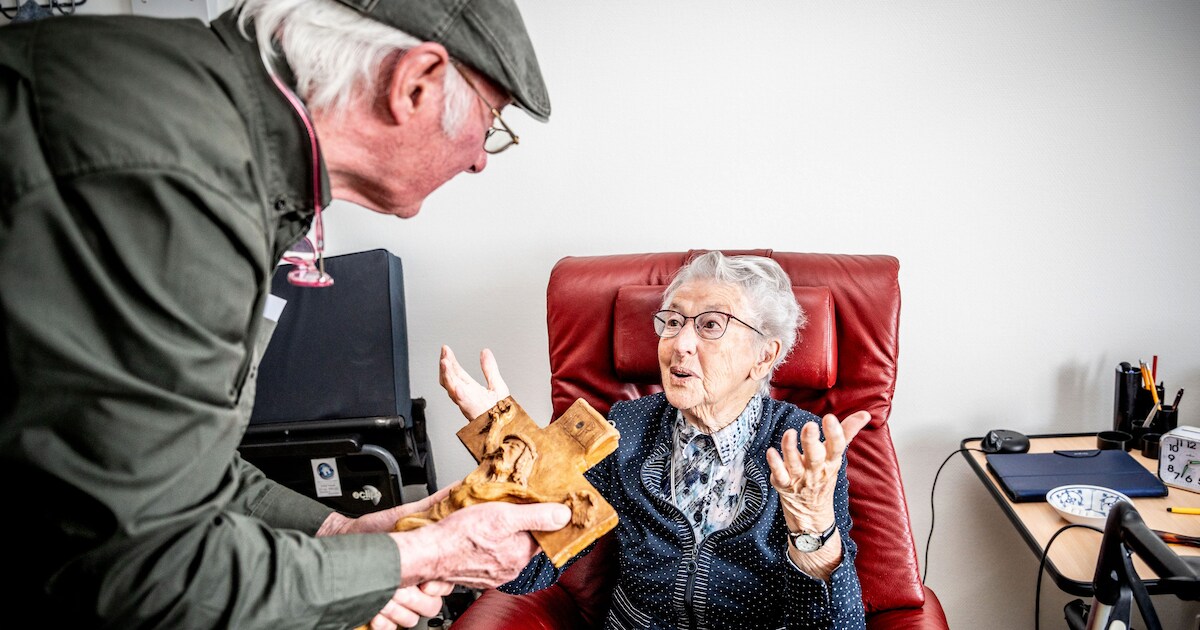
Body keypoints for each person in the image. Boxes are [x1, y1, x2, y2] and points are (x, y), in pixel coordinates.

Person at [0, 1, 571, 628]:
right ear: (414, 83)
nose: (479, 160)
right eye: (490, 124)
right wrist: (419, 554)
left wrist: (344, 530)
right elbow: (152, 570)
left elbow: (182, 474)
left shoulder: (217, 134)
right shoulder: (185, 181)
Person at [441, 251, 871, 629]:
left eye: (710, 325)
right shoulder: (624, 426)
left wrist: (814, 530)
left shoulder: (806, 449)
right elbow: (526, 573)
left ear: (764, 355)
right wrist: (507, 443)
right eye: (672, 321)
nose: (679, 344)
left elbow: (838, 625)